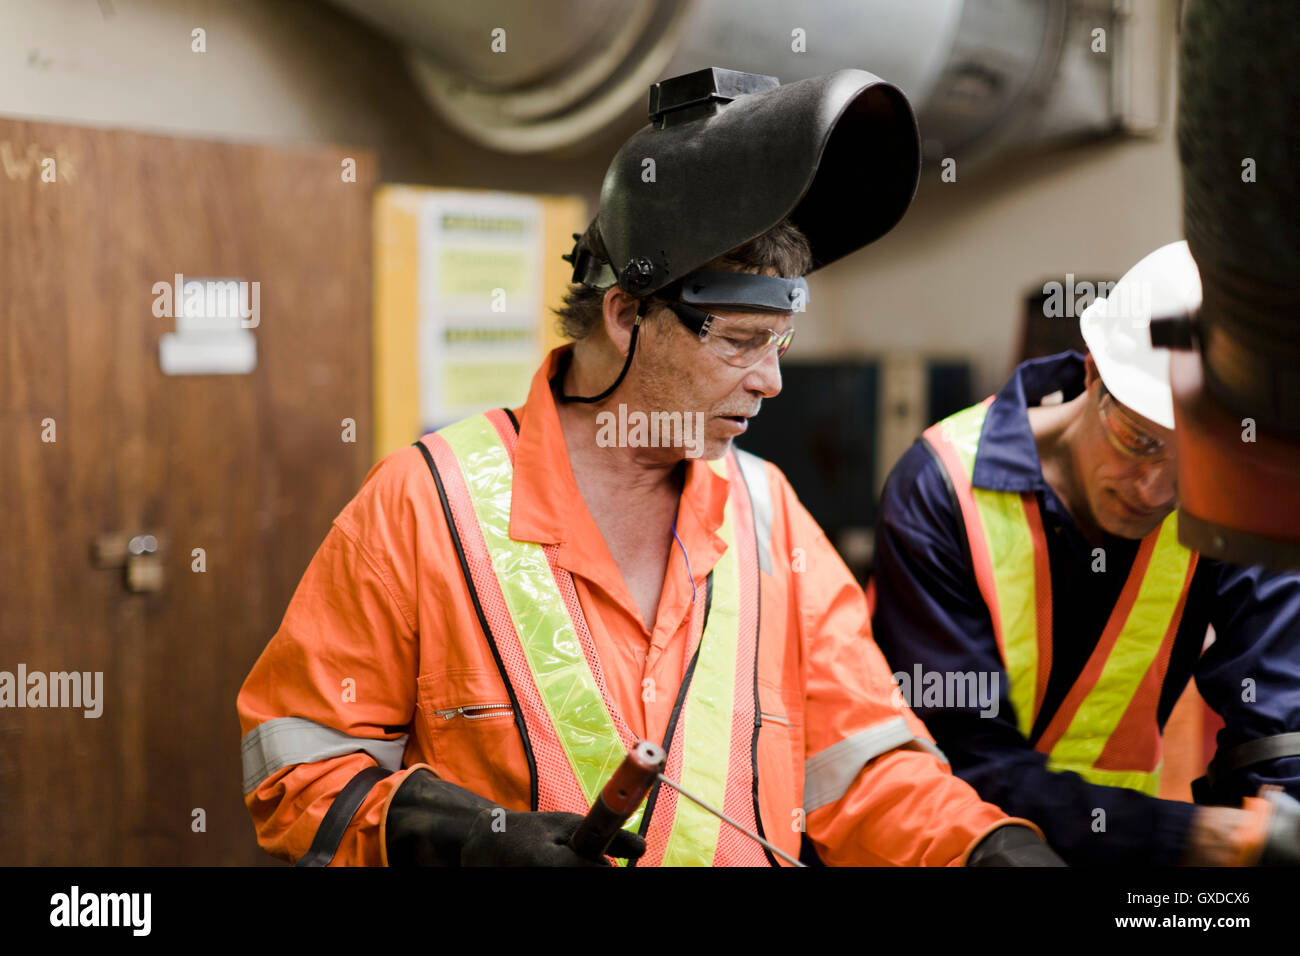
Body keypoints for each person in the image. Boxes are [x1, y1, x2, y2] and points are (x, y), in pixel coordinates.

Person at [237, 66, 1062, 867]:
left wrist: (987, 846)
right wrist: (461, 836)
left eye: (781, 344)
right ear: (627, 312)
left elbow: (861, 767)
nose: (771, 380)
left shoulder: (768, 514)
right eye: (740, 341)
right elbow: (298, 774)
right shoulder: (424, 506)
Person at [871, 240, 1300, 867]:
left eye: (1197, 466)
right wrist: (1210, 838)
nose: (1155, 490)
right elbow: (964, 759)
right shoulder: (941, 491)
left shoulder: (1230, 502)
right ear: (1093, 370)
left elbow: (1279, 721)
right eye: (1138, 440)